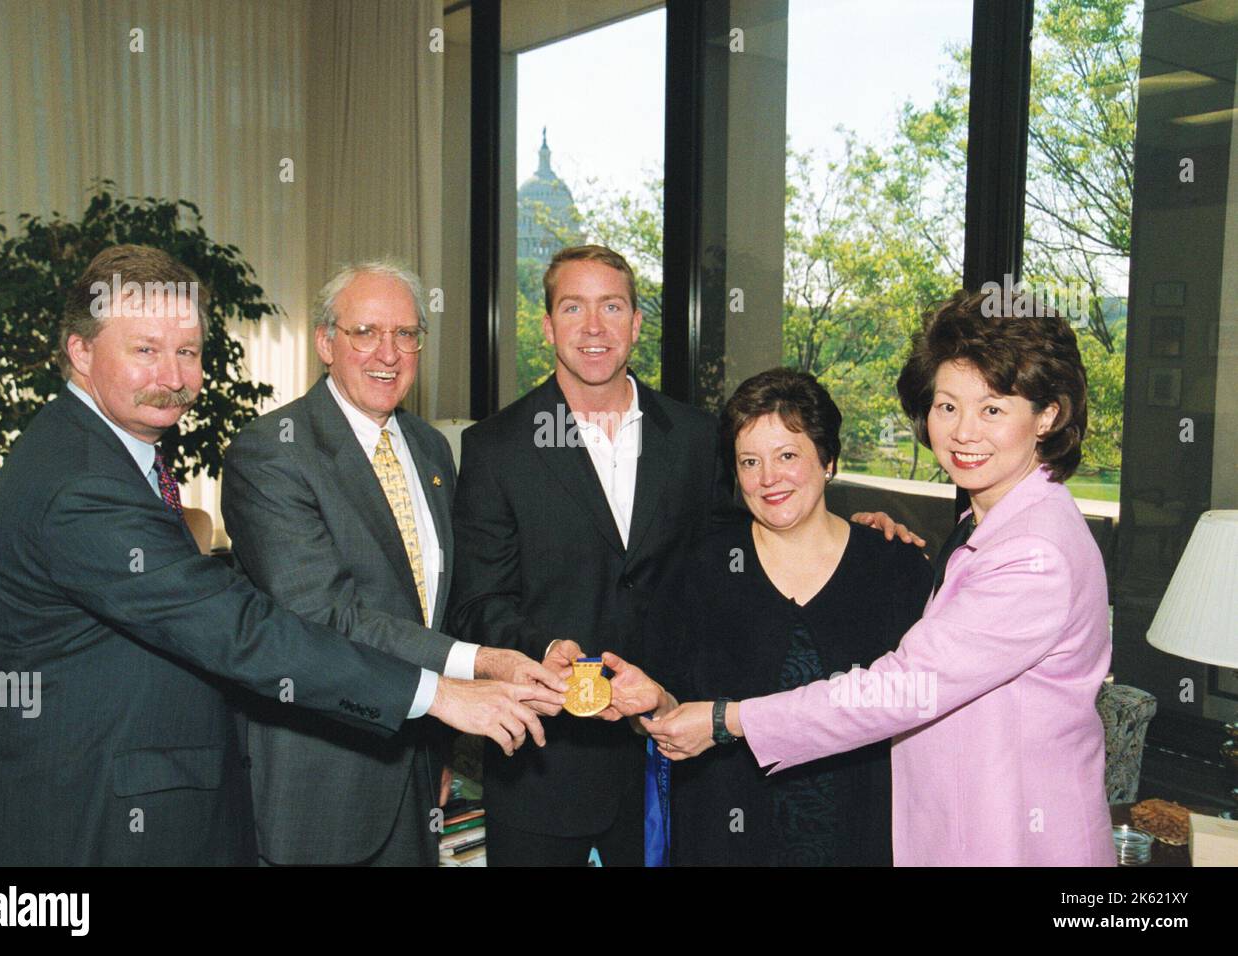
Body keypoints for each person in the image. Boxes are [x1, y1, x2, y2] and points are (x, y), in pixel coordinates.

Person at [0, 244, 561, 866]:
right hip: (91, 825)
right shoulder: (82, 482)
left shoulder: (105, 452)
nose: (173, 377)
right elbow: (240, 629)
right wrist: (438, 693)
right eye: (145, 349)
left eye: (188, 352)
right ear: (81, 351)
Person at [447, 244, 921, 866]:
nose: (594, 327)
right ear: (547, 326)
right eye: (574, 308)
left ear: (637, 323)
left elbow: (761, 526)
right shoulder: (495, 447)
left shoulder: (697, 438)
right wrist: (541, 653)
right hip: (545, 768)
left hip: (691, 762)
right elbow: (477, 601)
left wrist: (858, 526)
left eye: (611, 307)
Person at [639, 289, 1116, 866]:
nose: (964, 432)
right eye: (947, 406)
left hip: (1011, 838)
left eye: (992, 408)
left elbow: (902, 687)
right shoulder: (981, 521)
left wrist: (726, 718)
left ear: (1047, 415)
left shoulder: (1034, 552)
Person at [220, 261, 563, 866]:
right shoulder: (272, 453)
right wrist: (476, 667)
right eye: (366, 332)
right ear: (327, 342)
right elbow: (325, 616)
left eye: (406, 334)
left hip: (416, 765)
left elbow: (434, 606)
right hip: (325, 780)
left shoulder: (432, 449)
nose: (390, 352)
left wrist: (493, 679)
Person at [602, 368, 931, 865]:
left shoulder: (895, 569)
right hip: (724, 844)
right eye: (749, 461)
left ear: (828, 461)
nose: (768, 478)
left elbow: (921, 708)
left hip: (862, 844)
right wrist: (654, 705)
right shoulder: (698, 572)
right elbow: (669, 712)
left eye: (788, 456)